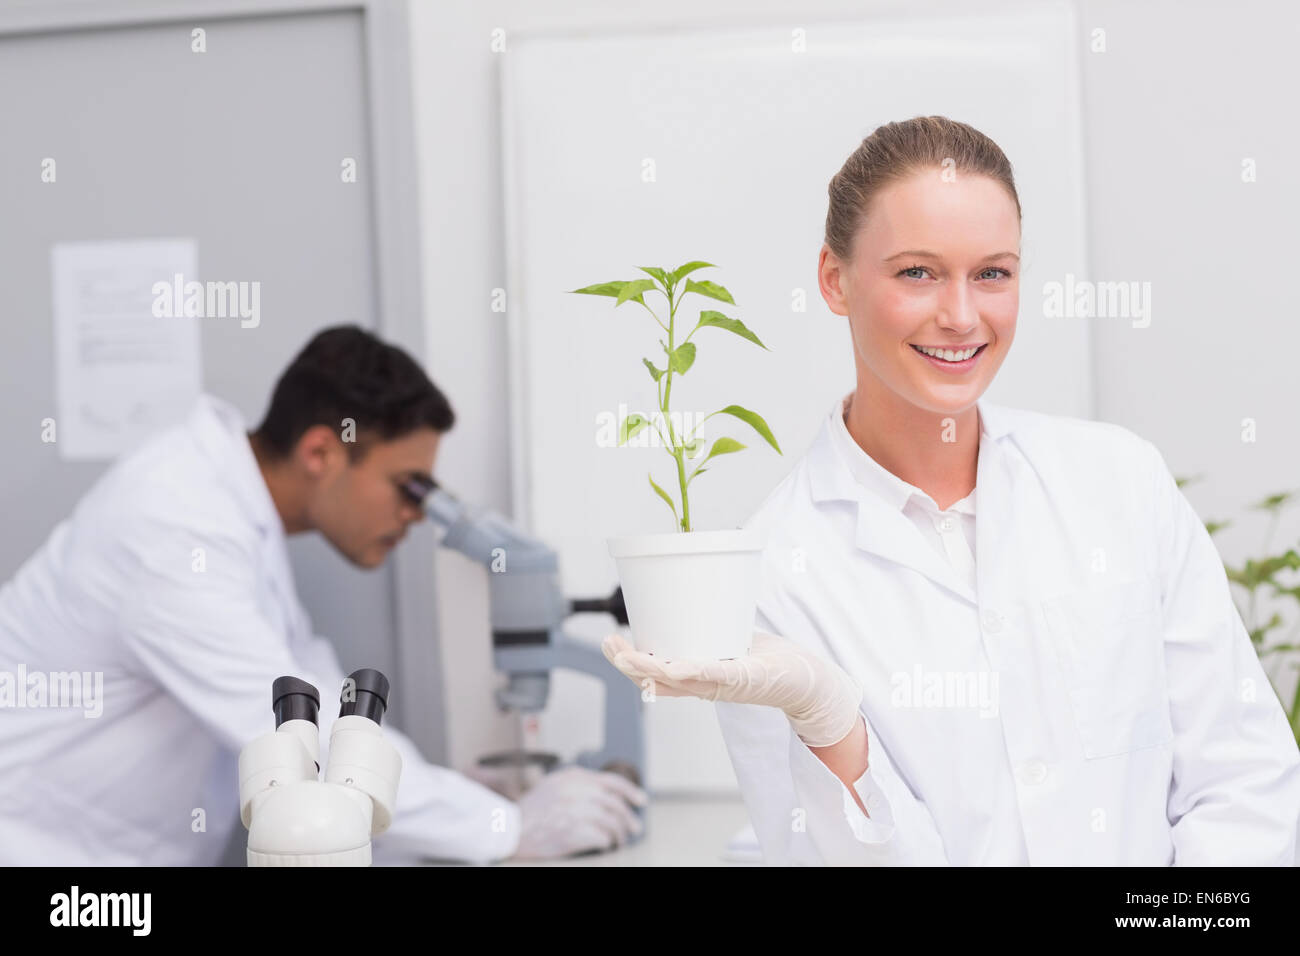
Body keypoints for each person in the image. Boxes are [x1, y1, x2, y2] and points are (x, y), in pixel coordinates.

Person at [603, 115, 1300, 866]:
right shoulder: (773, 570)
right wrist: (833, 724)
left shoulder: (1120, 482)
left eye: (992, 273)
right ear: (835, 281)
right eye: (917, 272)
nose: (963, 316)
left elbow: (1243, 782)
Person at [0, 325, 645, 865]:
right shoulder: (171, 525)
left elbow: (327, 705)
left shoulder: (231, 515)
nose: (416, 515)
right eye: (407, 485)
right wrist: (507, 830)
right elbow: (289, 738)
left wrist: (455, 796)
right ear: (320, 451)